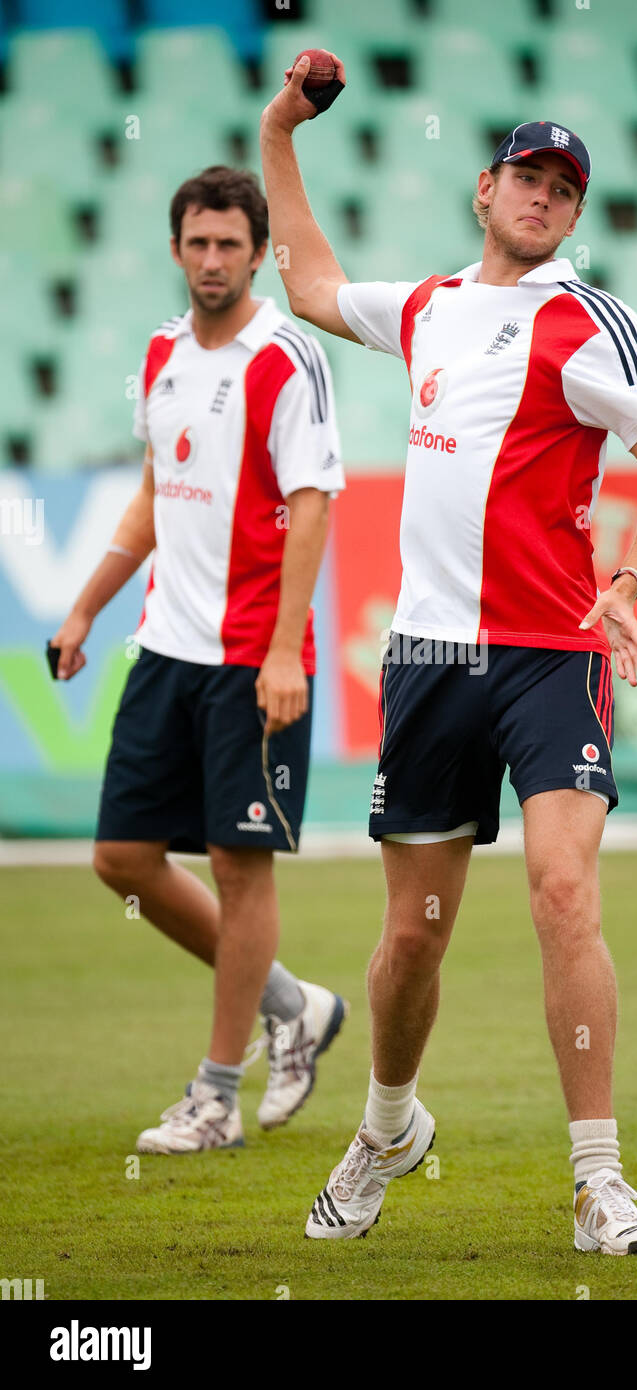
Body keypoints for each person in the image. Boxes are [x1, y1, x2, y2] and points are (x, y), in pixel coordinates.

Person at [260, 58, 637, 1252]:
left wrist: (626, 581)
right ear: (483, 187)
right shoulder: (429, 309)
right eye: (527, 174)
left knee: (565, 891)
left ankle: (599, 1181)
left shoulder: (592, 320)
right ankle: (387, 1128)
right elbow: (305, 279)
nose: (544, 195)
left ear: (576, 212)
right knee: (414, 936)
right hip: (432, 656)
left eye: (565, 185)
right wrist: (277, 132)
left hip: (555, 652)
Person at [52, 165, 348, 1155]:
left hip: (252, 659)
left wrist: (281, 653)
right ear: (176, 250)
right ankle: (292, 1003)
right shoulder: (161, 353)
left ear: (258, 252)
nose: (214, 259)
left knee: (237, 868)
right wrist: (87, 605)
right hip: (164, 649)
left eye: (231, 243)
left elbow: (312, 505)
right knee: (121, 858)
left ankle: (215, 1096)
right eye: (198, 242)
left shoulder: (286, 357)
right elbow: (151, 493)